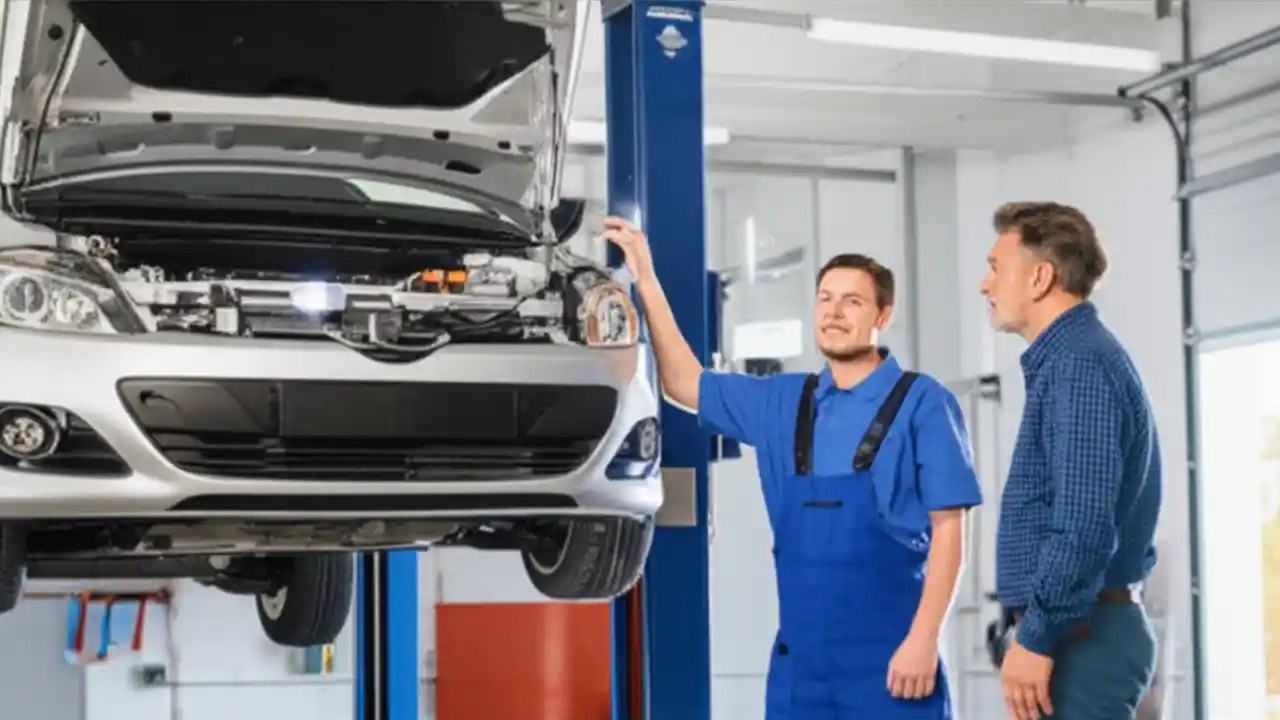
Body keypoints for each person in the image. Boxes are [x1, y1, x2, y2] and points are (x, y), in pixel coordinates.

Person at [602, 216, 983, 719]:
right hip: (801, 672)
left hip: (891, 665)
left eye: (853, 301)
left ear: (882, 315)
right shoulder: (784, 401)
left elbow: (950, 531)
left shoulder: (923, 403)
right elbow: (684, 384)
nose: (834, 312)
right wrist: (646, 279)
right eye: (825, 298)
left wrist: (924, 639)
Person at [981, 202, 1162, 720]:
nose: (985, 285)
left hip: (1082, 637)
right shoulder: (1069, 359)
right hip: (1077, 632)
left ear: (1040, 277)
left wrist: (1035, 638)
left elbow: (1082, 525)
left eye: (996, 267)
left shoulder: (1079, 365)